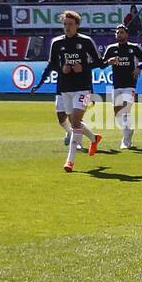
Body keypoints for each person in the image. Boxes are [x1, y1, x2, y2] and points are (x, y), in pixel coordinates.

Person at [31, 10, 102, 171]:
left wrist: (83, 67)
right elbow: (51, 65)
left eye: (70, 24)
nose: (67, 27)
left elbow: (100, 62)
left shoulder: (86, 41)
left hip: (84, 89)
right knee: (74, 122)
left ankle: (70, 161)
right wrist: (43, 81)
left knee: (75, 122)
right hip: (65, 89)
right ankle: (94, 138)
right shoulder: (56, 43)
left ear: (77, 26)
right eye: (65, 24)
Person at [101, 24, 142, 150]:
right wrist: (108, 62)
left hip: (130, 84)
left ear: (127, 34)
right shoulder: (111, 49)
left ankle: (125, 141)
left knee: (125, 110)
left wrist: (139, 68)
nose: (119, 34)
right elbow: (101, 63)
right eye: (117, 32)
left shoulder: (134, 48)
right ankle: (128, 130)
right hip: (117, 85)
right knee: (118, 113)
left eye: (122, 32)